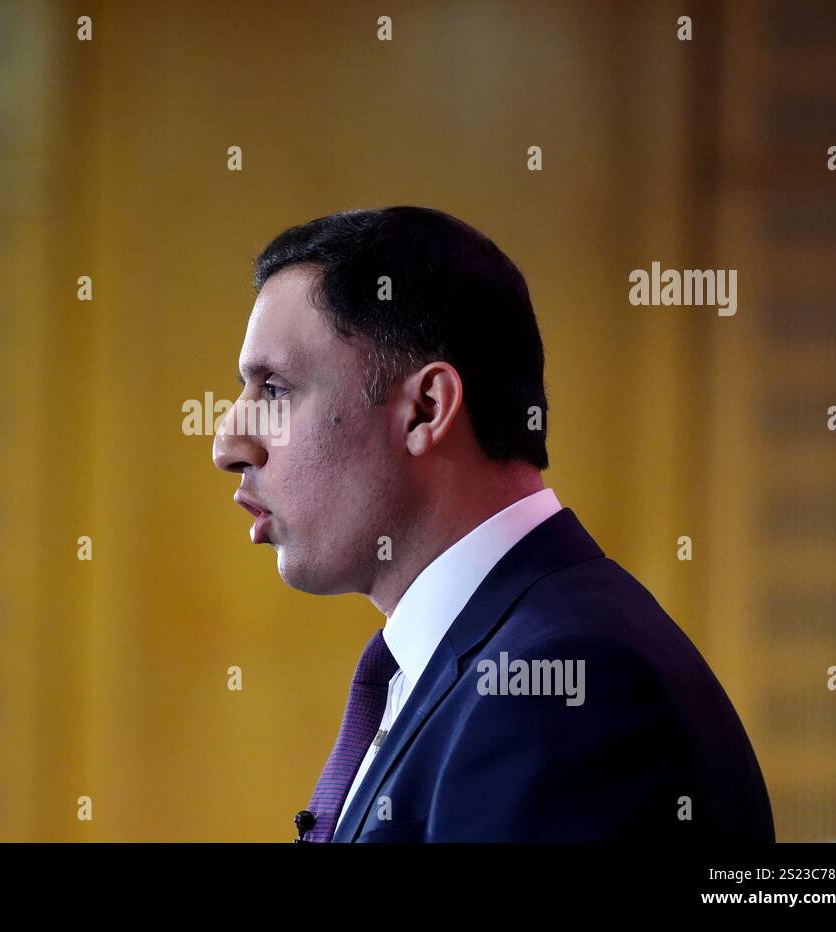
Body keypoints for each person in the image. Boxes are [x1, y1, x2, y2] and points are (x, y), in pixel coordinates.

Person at [211, 206, 774, 842]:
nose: (227, 441)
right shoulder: (495, 658)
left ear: (426, 409)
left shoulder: (561, 686)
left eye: (275, 390)